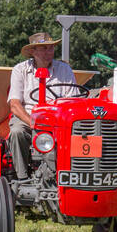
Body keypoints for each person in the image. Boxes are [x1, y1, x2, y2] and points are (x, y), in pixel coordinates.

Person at [7, 32, 77, 179]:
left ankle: (74, 172)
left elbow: (73, 101)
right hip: (29, 117)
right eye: (44, 48)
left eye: (51, 48)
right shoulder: (20, 70)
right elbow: (15, 104)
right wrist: (32, 122)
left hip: (58, 119)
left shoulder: (64, 70)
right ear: (32, 51)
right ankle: (22, 177)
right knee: (17, 132)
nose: (49, 52)